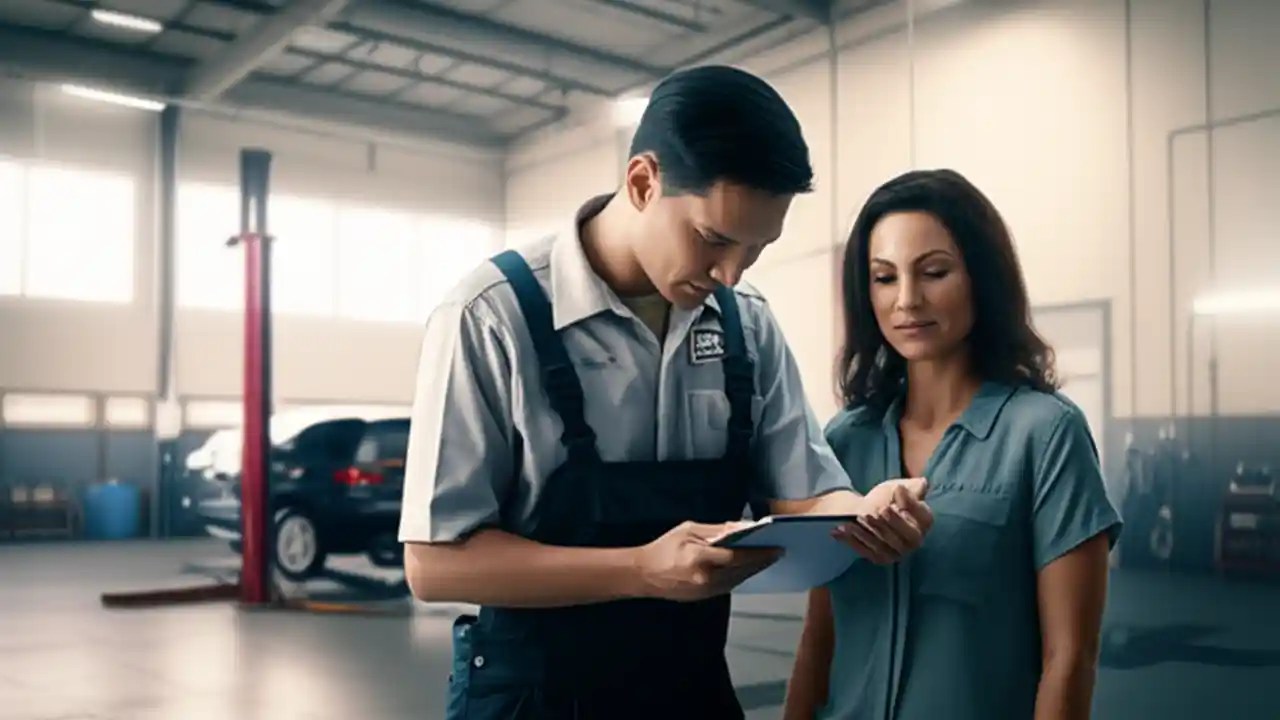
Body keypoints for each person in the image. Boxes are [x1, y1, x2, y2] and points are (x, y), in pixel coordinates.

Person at [397, 65, 935, 720]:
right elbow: (435, 564)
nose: (731, 274)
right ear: (643, 182)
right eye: (713, 239)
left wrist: (864, 510)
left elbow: (803, 491)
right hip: (530, 698)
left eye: (758, 247)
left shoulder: (747, 323)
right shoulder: (489, 316)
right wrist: (639, 569)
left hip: (690, 689)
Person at [783, 169, 1124, 720]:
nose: (908, 300)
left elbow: (1070, 657)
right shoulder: (846, 440)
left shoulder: (1045, 434)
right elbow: (820, 638)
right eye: (884, 277)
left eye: (934, 272)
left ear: (980, 278)